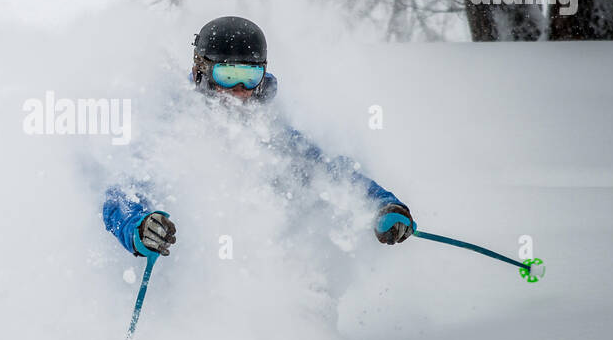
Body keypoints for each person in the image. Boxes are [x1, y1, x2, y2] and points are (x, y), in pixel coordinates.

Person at [102, 16, 414, 260]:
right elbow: (121, 194)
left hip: (267, 281)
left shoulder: (271, 134)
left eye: (249, 77)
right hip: (191, 284)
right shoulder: (171, 124)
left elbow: (329, 173)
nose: (239, 90)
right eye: (227, 75)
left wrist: (381, 204)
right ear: (201, 72)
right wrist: (139, 229)